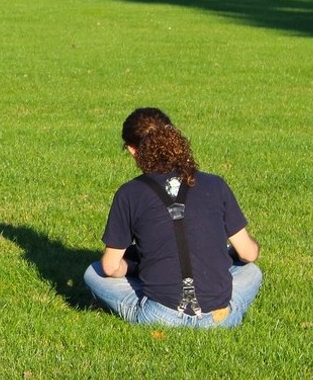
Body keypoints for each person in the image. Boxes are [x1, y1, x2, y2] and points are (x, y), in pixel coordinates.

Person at [84, 108, 262, 328]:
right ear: (174, 136)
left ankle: (149, 301)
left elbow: (110, 267)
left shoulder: (129, 193)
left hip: (161, 316)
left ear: (132, 150)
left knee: (93, 272)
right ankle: (228, 310)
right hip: (218, 318)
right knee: (251, 272)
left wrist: (134, 268)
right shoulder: (214, 184)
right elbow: (248, 253)